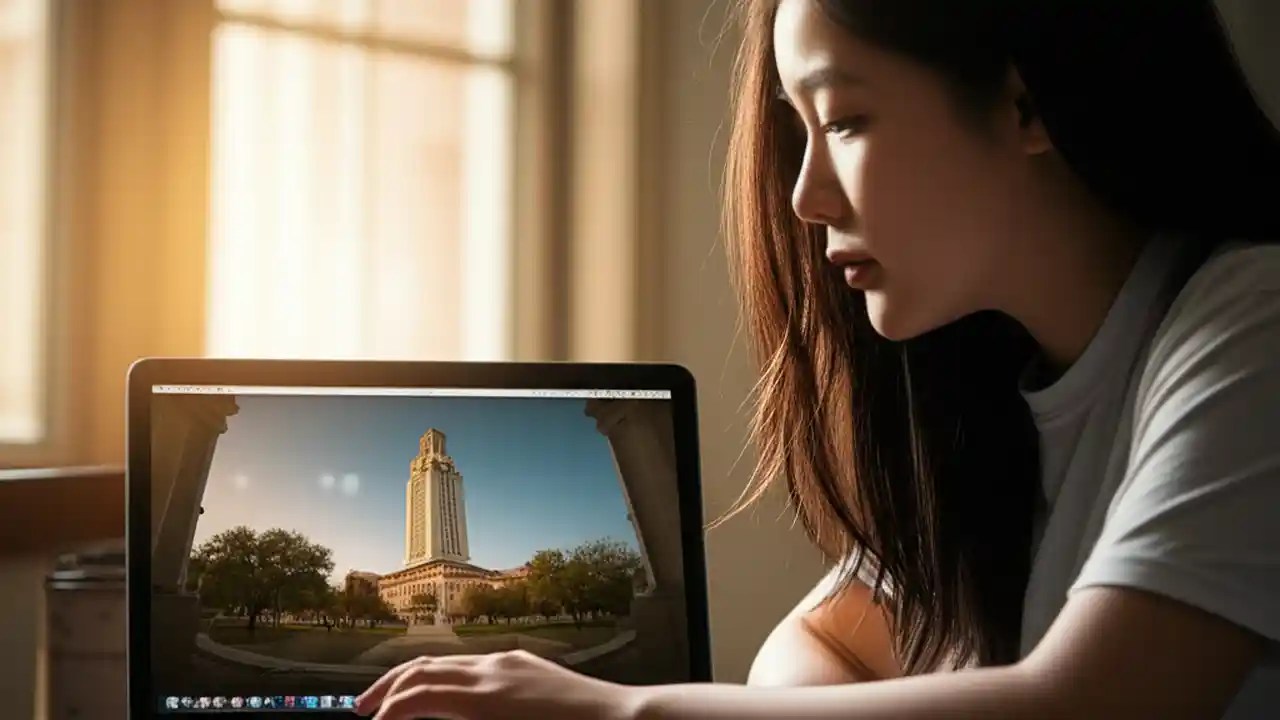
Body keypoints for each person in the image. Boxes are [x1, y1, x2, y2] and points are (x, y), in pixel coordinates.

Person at [354, 0, 1280, 718]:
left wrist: (624, 710)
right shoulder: (990, 400)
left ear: (1029, 99)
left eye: (842, 122)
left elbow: (1093, 708)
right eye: (799, 131)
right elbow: (822, 641)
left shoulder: (1255, 322)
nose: (804, 198)